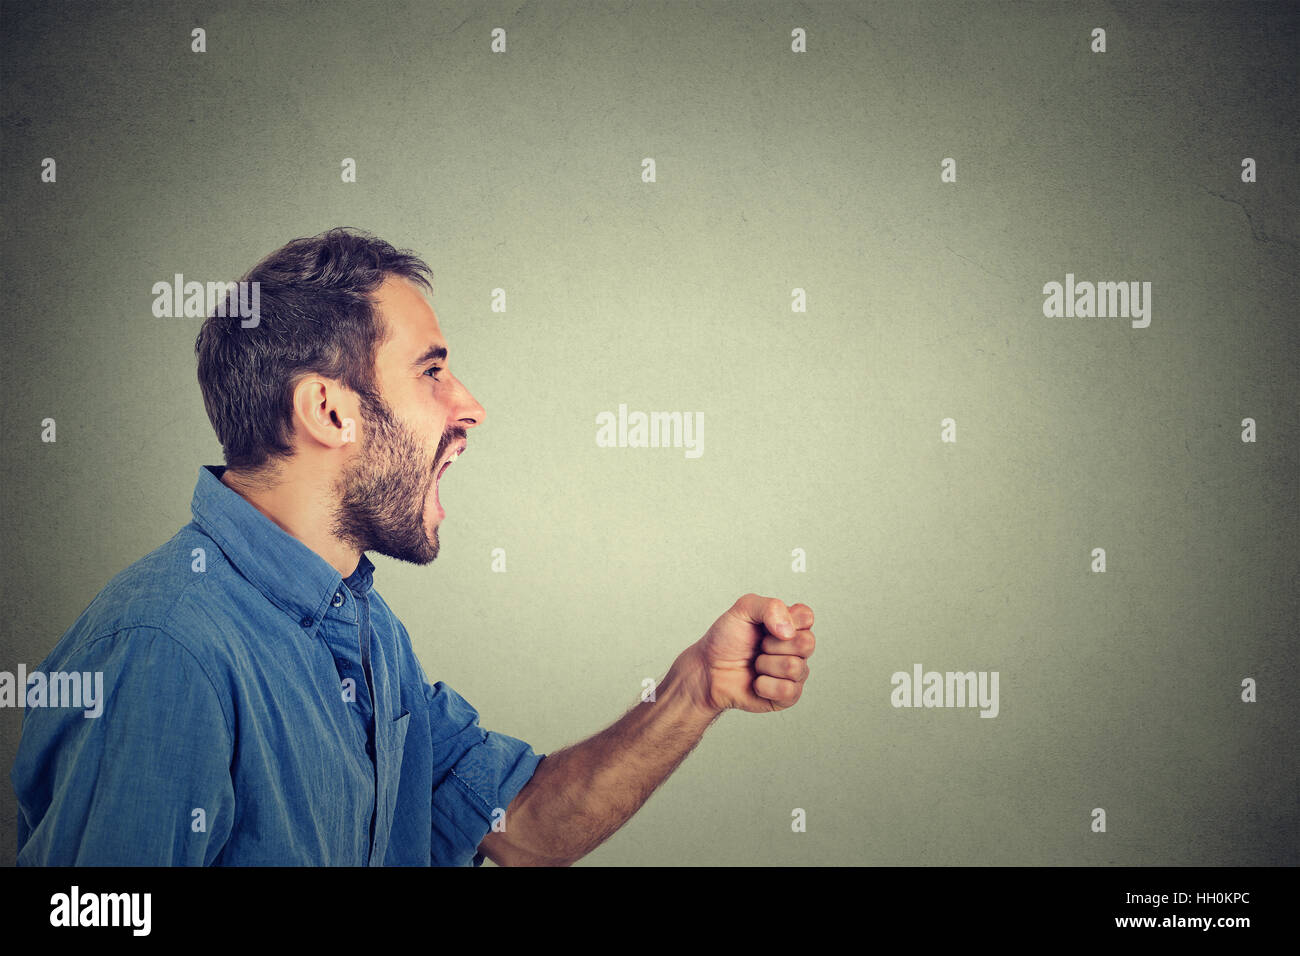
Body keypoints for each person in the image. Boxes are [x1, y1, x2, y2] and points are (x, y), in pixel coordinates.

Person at [11, 227, 816, 866]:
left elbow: (525, 826)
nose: (469, 407)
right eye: (431, 371)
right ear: (328, 411)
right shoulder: (166, 650)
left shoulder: (363, 629)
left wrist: (693, 693)